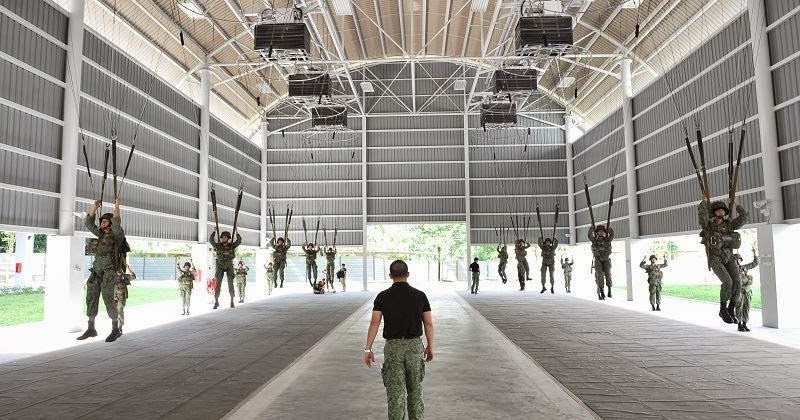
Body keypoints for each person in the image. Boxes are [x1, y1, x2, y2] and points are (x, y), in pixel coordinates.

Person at [364, 260, 434, 420]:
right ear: (408, 274)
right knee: (415, 391)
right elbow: (428, 324)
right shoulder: (420, 296)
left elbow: (374, 323)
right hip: (414, 346)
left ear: (390, 276)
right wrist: (430, 346)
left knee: (395, 393)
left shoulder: (382, 297)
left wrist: (368, 349)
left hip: (393, 348)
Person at [77, 198, 127, 342]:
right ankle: (91, 328)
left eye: (105, 221)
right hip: (97, 270)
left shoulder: (117, 236)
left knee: (108, 297)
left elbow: (117, 221)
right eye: (102, 221)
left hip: (109, 271)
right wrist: (94, 206)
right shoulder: (100, 234)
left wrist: (117, 206)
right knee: (91, 296)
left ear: (110, 224)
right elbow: (88, 223)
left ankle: (115, 329)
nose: (102, 223)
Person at [698, 197, 748, 324]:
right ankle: (723, 309)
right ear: (713, 212)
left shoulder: (729, 225)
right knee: (728, 282)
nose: (721, 212)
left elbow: (744, 217)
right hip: (715, 259)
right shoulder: (708, 226)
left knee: (738, 282)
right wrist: (704, 203)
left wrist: (737, 204)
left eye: (723, 210)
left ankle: (731, 308)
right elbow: (702, 216)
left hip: (729, 257)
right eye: (718, 210)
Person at [209, 230, 242, 309]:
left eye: (225, 237)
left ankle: (232, 301)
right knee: (218, 284)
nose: (224, 238)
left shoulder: (232, 246)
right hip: (220, 266)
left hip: (229, 266)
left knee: (230, 284)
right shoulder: (218, 246)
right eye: (223, 237)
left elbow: (239, 241)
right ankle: (216, 301)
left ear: (228, 238)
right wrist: (214, 232)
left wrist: (237, 232)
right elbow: (211, 240)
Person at [110, 265, 135, 342]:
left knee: (120, 311)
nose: (119, 271)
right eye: (118, 269)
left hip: (121, 298)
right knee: (114, 313)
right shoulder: (113, 277)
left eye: (120, 269)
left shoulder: (125, 276)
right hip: (114, 298)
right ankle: (115, 328)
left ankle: (120, 328)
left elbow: (133, 277)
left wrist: (129, 269)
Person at [589, 225, 614, 300]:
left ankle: (609, 289)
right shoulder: (594, 240)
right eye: (599, 231)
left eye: (602, 231)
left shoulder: (607, 240)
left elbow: (612, 235)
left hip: (606, 259)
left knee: (608, 273)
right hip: (598, 259)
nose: (601, 232)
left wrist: (609, 228)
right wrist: (591, 228)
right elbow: (590, 235)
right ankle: (602, 291)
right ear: (597, 232)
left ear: (604, 232)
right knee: (599, 275)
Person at [734, 252, 758, 332]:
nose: (739, 261)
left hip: (747, 291)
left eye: (739, 259)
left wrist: (755, 254)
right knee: (739, 307)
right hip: (739, 291)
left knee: (747, 307)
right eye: (737, 259)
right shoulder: (732, 270)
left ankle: (745, 324)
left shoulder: (744, 267)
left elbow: (754, 264)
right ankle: (739, 324)